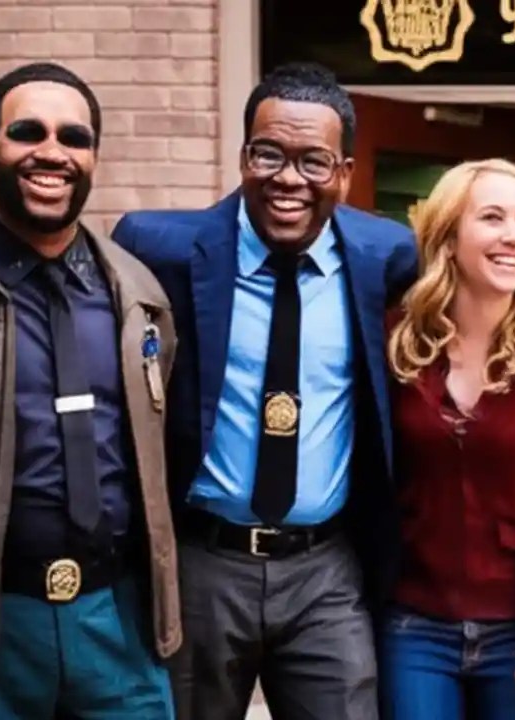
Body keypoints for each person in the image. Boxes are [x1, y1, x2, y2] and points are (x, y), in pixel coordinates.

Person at [111, 62, 416, 720]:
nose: (288, 178)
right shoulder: (156, 247)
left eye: (314, 161)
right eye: (269, 153)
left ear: (345, 173)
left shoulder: (387, 256)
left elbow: (485, 292)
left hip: (325, 571)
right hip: (203, 564)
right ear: (244, 155)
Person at [0, 62, 180, 718]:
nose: (53, 152)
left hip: (119, 623)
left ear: (94, 158)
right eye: (27, 131)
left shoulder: (141, 297)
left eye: (74, 137)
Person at [381, 158, 515, 719]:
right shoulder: (398, 340)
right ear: (449, 238)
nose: (514, 236)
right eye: (493, 218)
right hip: (414, 624)